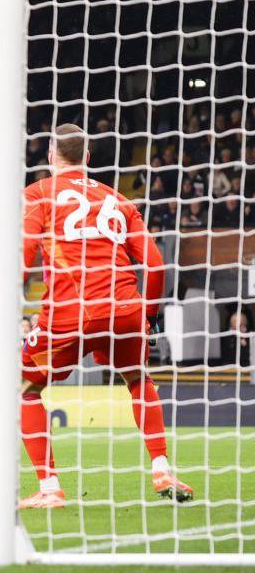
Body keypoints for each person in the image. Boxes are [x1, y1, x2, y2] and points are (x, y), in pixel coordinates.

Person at [18, 123, 191, 509]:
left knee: (25, 388)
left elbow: (23, 261)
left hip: (69, 313)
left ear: (51, 155)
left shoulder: (38, 194)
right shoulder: (118, 200)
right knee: (138, 379)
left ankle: (49, 488)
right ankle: (161, 468)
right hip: (126, 309)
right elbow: (156, 265)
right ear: (87, 157)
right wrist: (148, 316)